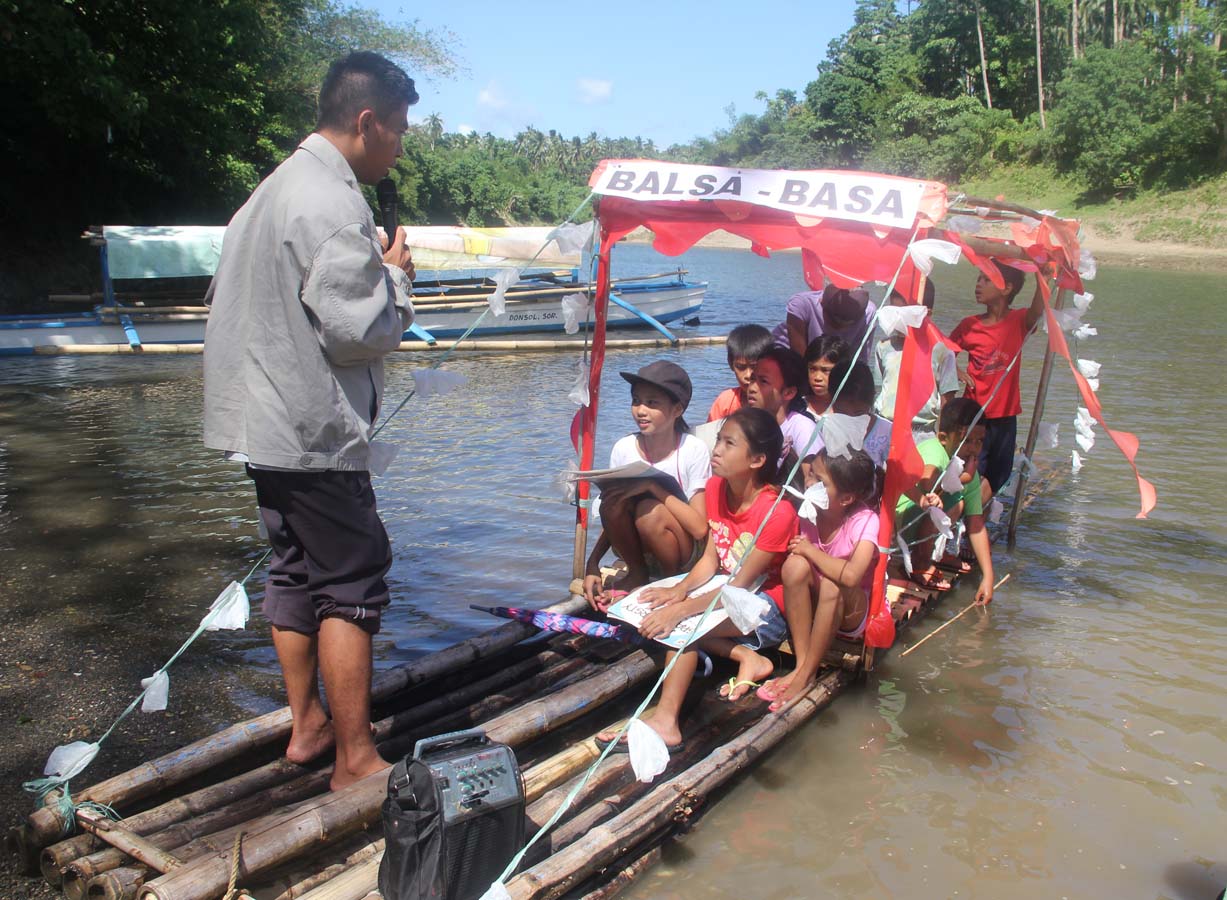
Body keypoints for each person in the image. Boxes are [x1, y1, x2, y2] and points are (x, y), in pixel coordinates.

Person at [202, 52, 419, 790]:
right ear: (366, 122)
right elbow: (358, 332)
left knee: (295, 573)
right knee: (352, 581)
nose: (399, 146)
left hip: (262, 428)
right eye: (398, 130)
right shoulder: (331, 203)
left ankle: (308, 725)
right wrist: (396, 278)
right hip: (313, 431)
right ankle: (355, 758)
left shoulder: (269, 192)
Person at [594, 408, 798, 750]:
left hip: (764, 607)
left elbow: (741, 587)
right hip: (725, 592)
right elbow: (711, 559)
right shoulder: (717, 488)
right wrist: (679, 590)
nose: (716, 450)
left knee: (681, 629)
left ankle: (666, 722)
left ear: (757, 460)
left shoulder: (777, 511)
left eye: (729, 444)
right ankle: (746, 657)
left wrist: (681, 610)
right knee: (656, 612)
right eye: (719, 440)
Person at [758, 447, 879, 711]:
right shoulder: (809, 511)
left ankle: (806, 674)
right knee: (794, 566)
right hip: (818, 601)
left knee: (835, 582)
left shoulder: (865, 520)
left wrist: (810, 551)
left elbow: (852, 575)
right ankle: (803, 665)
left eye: (819, 480)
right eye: (810, 473)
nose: (809, 482)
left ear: (846, 498)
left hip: (851, 609)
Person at [583, 361, 711, 607]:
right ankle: (637, 573)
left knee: (649, 512)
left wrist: (653, 487)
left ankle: (671, 581)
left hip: (683, 552)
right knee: (612, 501)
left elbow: (699, 529)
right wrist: (593, 563)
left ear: (677, 410)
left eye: (652, 403)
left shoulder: (692, 449)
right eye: (636, 401)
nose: (641, 410)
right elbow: (611, 513)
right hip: (639, 551)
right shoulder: (623, 448)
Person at [949, 260, 1045, 500]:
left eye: (986, 279)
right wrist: (956, 371)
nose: (978, 284)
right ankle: (963, 513)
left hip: (1005, 416)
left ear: (1007, 288)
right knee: (970, 469)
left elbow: (1037, 311)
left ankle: (978, 514)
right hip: (974, 415)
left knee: (999, 474)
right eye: (978, 279)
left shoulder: (1019, 320)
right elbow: (943, 353)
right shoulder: (969, 325)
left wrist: (1042, 278)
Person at [893, 398, 983, 592]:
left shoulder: (966, 465)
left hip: (918, 518)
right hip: (900, 520)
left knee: (958, 501)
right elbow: (927, 482)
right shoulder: (935, 450)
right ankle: (920, 561)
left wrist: (988, 573)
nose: (973, 448)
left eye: (979, 441)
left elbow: (976, 522)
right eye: (966, 441)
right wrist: (964, 478)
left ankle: (937, 554)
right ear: (943, 438)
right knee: (953, 501)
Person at [872, 282, 959, 443]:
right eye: (894, 313)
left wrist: (942, 438)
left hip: (922, 432)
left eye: (904, 314)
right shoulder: (883, 347)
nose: (897, 320)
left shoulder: (942, 350)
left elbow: (947, 400)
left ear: (927, 314)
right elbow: (879, 389)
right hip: (885, 427)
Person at [745, 346, 823, 470]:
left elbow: (813, 478)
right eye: (753, 379)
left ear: (789, 393)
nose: (752, 388)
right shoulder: (748, 425)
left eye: (763, 381)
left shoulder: (802, 428)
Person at [772, 286, 877, 365]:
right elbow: (799, 360)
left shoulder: (869, 313)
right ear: (821, 303)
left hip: (832, 363)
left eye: (847, 322)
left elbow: (860, 361)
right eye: (835, 320)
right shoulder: (802, 304)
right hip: (787, 356)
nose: (840, 327)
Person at [829, 360, 892, 469]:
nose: (851, 421)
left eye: (859, 414)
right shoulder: (823, 430)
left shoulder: (888, 431)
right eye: (842, 414)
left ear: (871, 401)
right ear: (831, 399)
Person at [707, 324, 774, 422]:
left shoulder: (776, 400)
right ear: (731, 363)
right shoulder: (725, 402)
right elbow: (711, 430)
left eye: (754, 367)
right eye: (741, 367)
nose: (748, 375)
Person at [801, 335, 851, 421]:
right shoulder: (798, 406)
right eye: (812, 369)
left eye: (825, 370)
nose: (817, 377)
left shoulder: (850, 412)